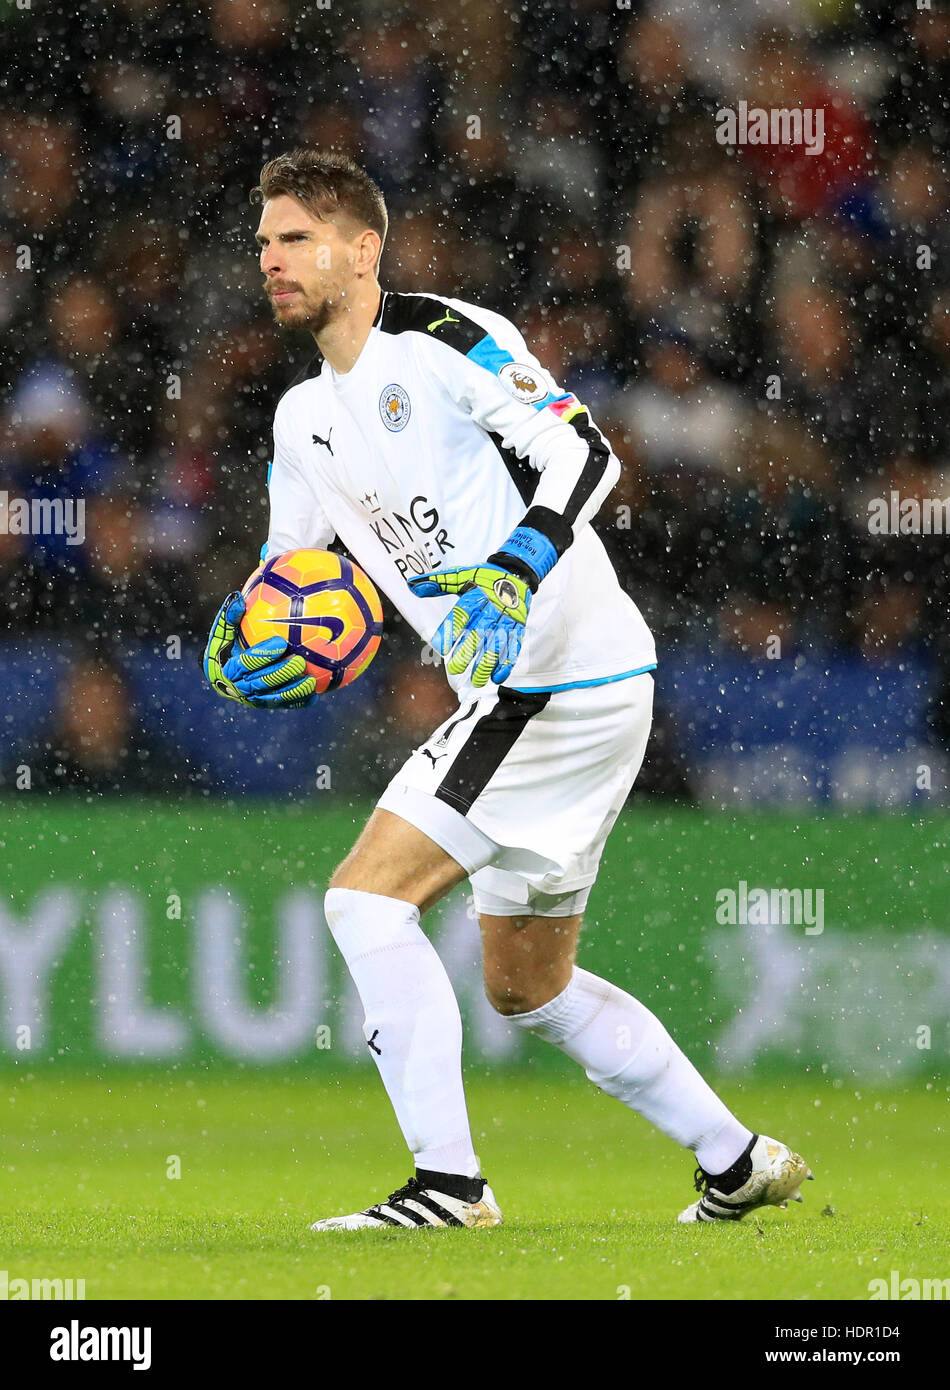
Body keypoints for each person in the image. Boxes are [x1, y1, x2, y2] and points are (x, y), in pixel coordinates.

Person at [202, 149, 812, 1229]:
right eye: (262, 243)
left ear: (362, 248)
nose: (272, 261)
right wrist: (249, 632)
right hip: (560, 687)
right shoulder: (302, 420)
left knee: (361, 899)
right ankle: (736, 1161)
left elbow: (584, 455)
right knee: (526, 984)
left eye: (294, 239)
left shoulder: (442, 339)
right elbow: (287, 572)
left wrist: (511, 566)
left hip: (552, 673)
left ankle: (448, 1185)